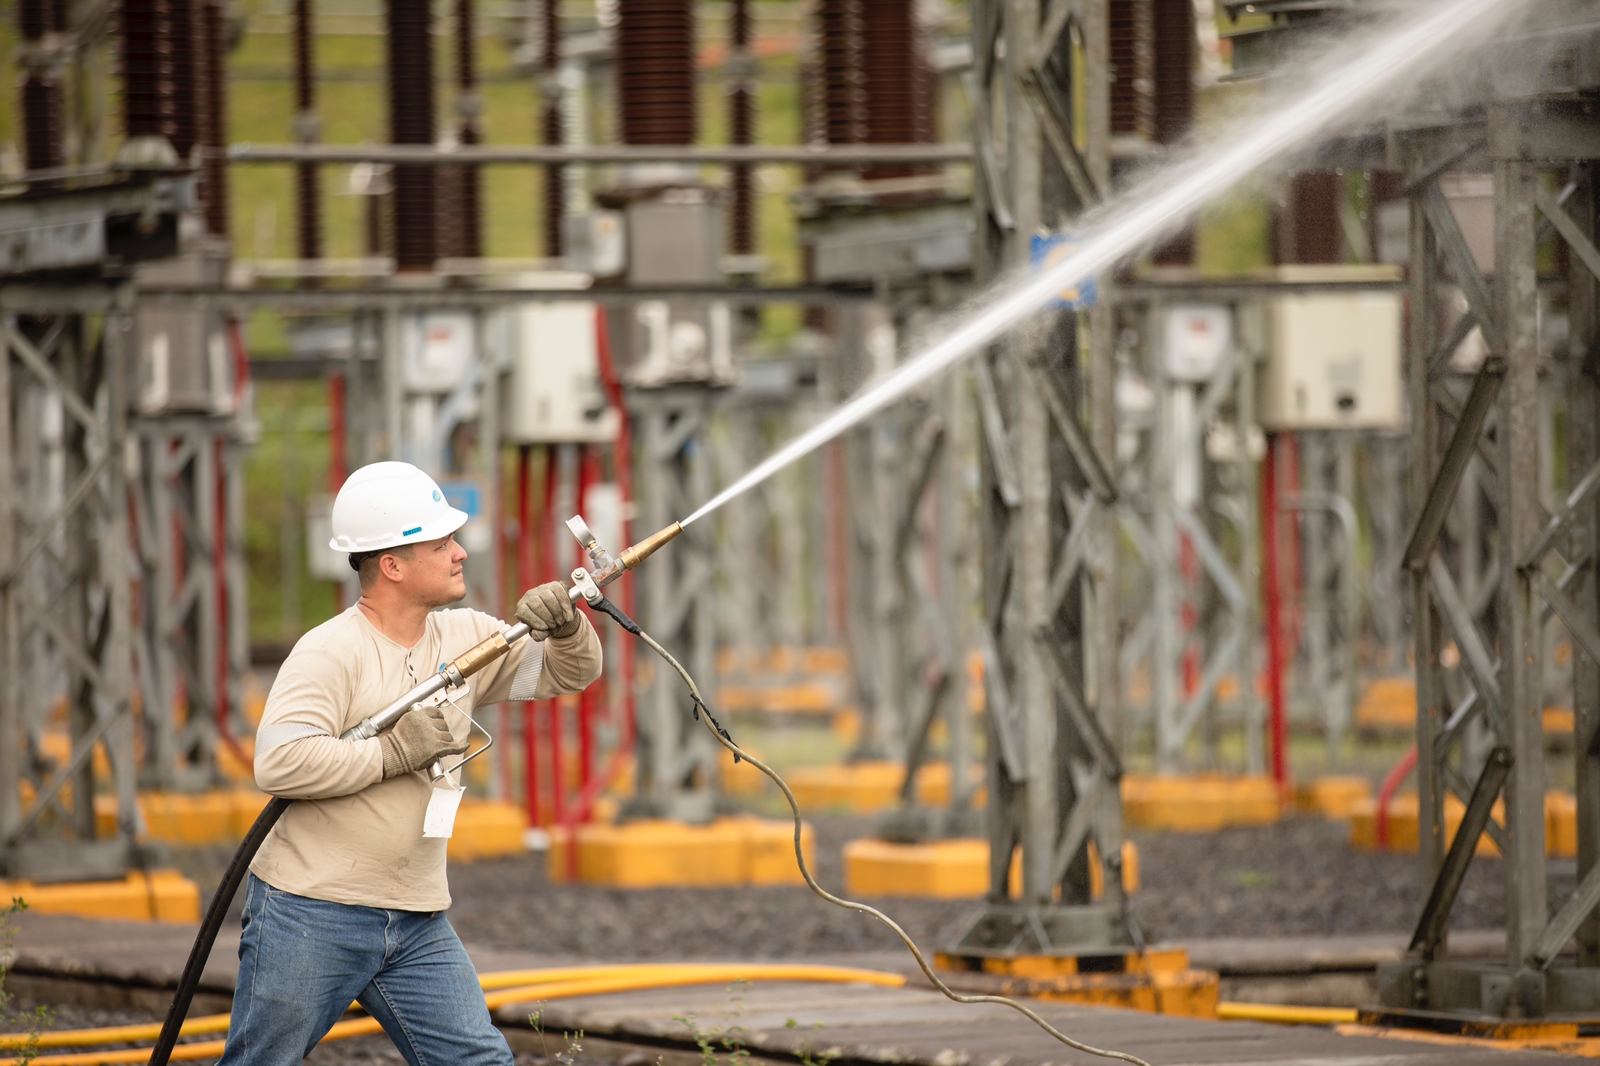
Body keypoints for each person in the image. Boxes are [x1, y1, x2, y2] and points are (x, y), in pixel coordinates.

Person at [218, 461, 601, 1066]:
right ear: (392, 566)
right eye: (441, 542)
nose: (460, 553)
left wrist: (567, 627)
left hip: (418, 916)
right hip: (314, 912)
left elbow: (566, 672)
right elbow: (281, 762)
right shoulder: (329, 651)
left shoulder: (466, 637)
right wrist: (393, 752)